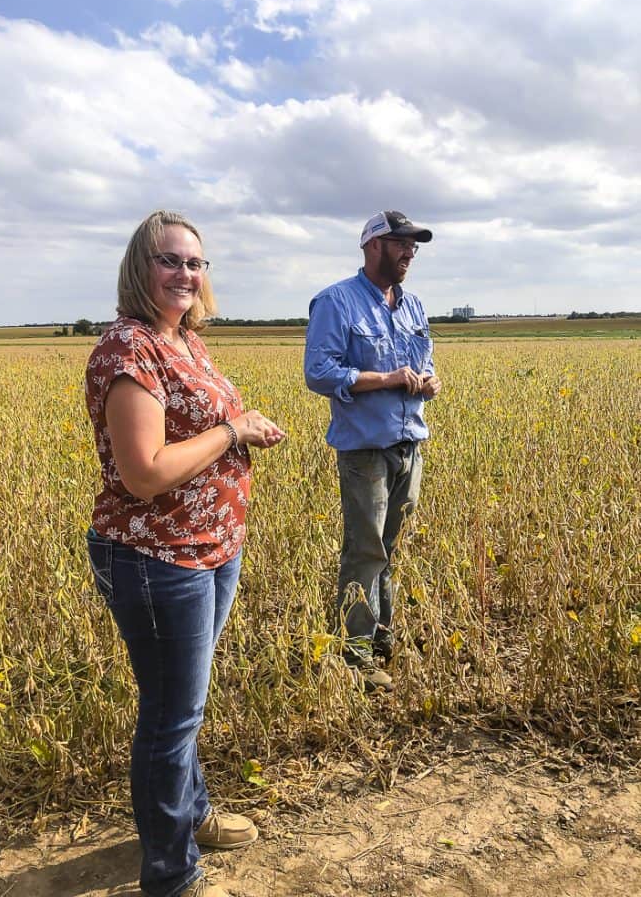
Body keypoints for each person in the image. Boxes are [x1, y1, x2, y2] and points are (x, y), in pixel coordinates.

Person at [85, 210, 285, 897]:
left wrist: (243, 426)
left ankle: (192, 816)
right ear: (141, 268)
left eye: (195, 263)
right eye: (170, 260)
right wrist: (234, 430)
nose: (185, 274)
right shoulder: (128, 350)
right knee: (172, 717)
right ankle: (170, 875)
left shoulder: (185, 341)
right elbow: (143, 473)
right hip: (156, 558)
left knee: (180, 704)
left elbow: (196, 430)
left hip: (207, 551)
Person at [304, 210, 441, 692]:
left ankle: (382, 633)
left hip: (409, 444)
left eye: (414, 246)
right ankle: (356, 652)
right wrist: (385, 379)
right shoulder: (336, 302)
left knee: (390, 548)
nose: (409, 253)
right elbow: (319, 372)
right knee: (366, 549)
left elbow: (425, 363)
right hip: (364, 449)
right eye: (401, 243)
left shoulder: (414, 305)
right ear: (373, 246)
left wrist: (429, 382)